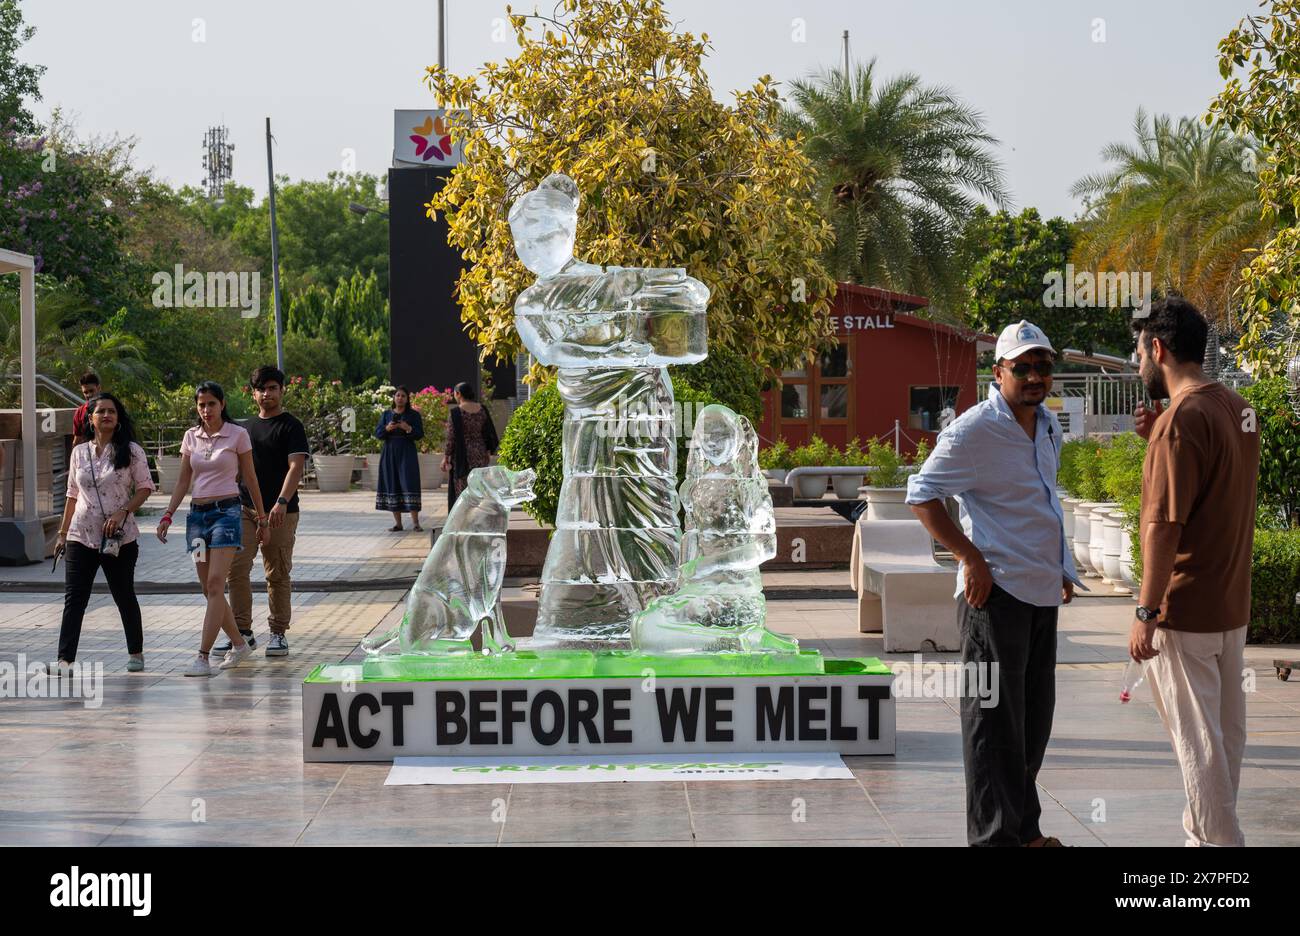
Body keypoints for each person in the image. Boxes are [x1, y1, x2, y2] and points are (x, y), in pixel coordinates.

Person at [905, 320, 1081, 847]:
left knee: (1031, 723)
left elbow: (1042, 502)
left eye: (1042, 367)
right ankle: (993, 840)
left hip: (1041, 590)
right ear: (998, 371)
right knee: (991, 727)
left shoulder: (1046, 425)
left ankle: (1024, 833)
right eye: (1022, 367)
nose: (1034, 376)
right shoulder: (974, 429)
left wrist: (1062, 567)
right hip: (995, 595)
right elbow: (922, 493)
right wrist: (969, 556)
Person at [1129, 297, 1260, 847]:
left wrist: (1146, 611)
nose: (1137, 363)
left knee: (1199, 750)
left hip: (1186, 611)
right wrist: (1161, 438)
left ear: (1157, 349)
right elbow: (1217, 485)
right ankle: (1201, 843)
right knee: (1224, 742)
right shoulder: (1238, 407)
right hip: (1231, 607)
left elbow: (1164, 526)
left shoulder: (1181, 422)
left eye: (1138, 352)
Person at [157, 381, 269, 676]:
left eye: (211, 404)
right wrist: (168, 514)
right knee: (209, 590)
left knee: (217, 584)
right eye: (201, 405)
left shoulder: (238, 435)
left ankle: (203, 657)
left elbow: (251, 479)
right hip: (196, 518)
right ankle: (240, 644)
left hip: (227, 515)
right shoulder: (190, 437)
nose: (206, 410)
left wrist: (262, 518)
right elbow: (183, 480)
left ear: (222, 405)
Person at [54, 392, 153, 672]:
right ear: (90, 418)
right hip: (80, 534)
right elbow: (72, 494)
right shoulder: (79, 452)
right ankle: (65, 660)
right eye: (101, 412)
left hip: (118, 538)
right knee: (75, 599)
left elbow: (145, 487)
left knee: (123, 594)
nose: (106, 415)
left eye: (112, 411)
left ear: (118, 418)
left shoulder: (131, 451)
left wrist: (124, 511)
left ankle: (136, 652)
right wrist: (62, 534)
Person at [222, 365, 310, 659]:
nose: (267, 393)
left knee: (277, 573)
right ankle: (242, 632)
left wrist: (282, 503)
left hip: (281, 512)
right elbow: (236, 470)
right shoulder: (244, 428)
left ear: (282, 390)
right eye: (262, 389)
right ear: (253, 393)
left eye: (273, 388)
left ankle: (277, 633)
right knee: (236, 570)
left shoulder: (291, 426)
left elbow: (296, 467)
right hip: (245, 509)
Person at [443, 381, 498, 512]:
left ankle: (464, 520)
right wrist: (488, 451)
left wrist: (446, 456)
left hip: (462, 456)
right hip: (480, 452)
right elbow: (489, 431)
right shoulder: (482, 409)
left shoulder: (456, 413)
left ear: (458, 394)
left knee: (463, 489)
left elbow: (451, 438)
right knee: (479, 487)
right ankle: (478, 516)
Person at [374, 385, 423, 531]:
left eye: (403, 396)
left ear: (407, 399)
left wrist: (408, 428)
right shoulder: (386, 415)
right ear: (394, 398)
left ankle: (415, 523)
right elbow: (378, 434)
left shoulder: (413, 415)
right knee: (392, 483)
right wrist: (387, 429)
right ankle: (398, 523)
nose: (400, 398)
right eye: (397, 395)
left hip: (407, 452)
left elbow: (420, 434)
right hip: (389, 453)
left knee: (409, 483)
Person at [72, 371, 101, 443]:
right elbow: (77, 439)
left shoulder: (110, 407)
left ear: (99, 388)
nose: (89, 395)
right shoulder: (80, 412)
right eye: (85, 392)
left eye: (91, 391)